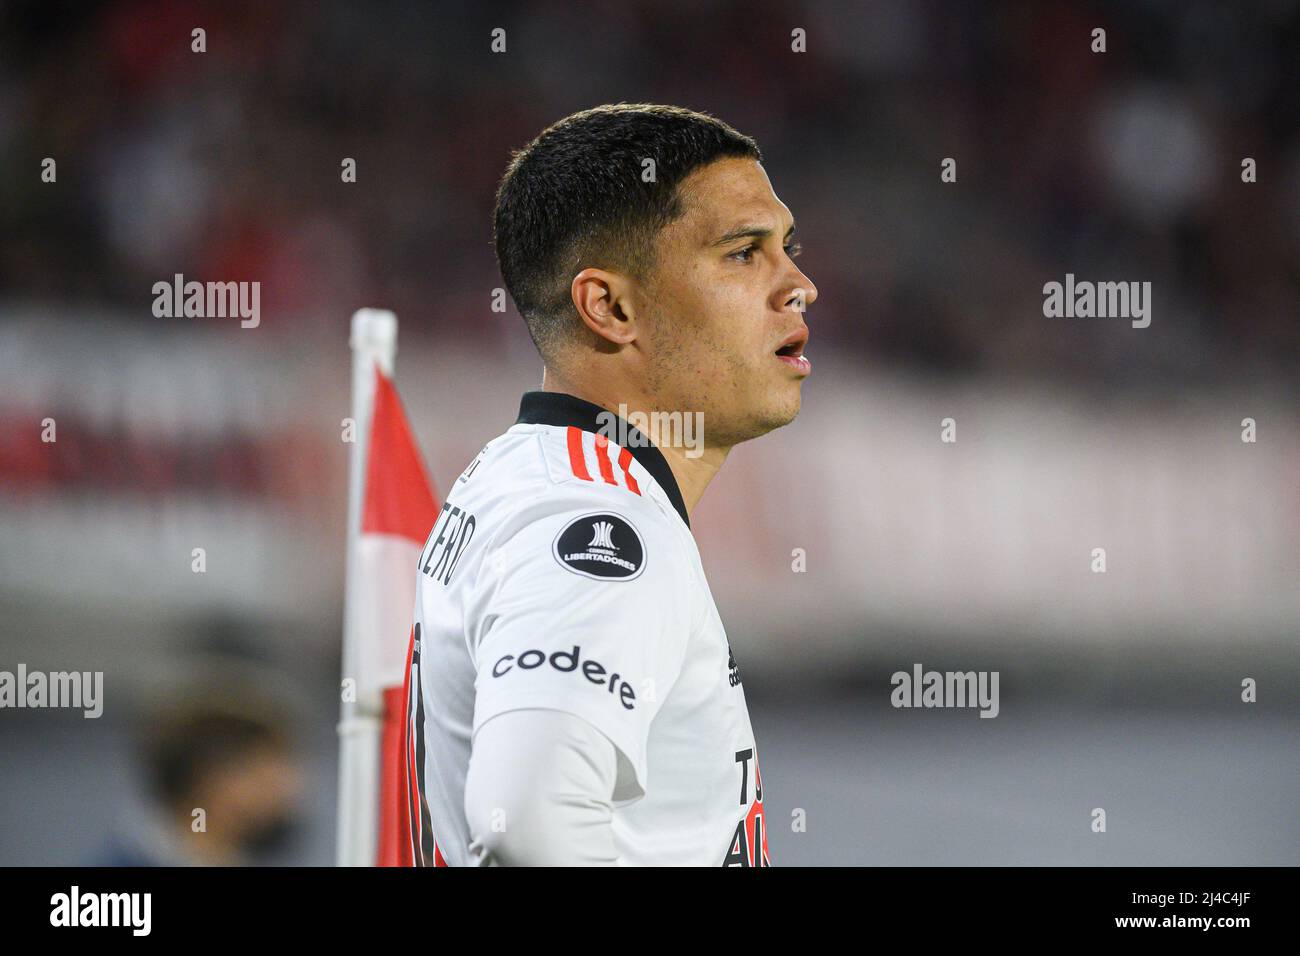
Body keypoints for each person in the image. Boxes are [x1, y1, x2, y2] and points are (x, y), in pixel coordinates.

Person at [404, 103, 817, 866]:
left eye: (786, 248)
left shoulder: (521, 474)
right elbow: (524, 820)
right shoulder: (596, 525)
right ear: (611, 307)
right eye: (741, 254)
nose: (799, 286)